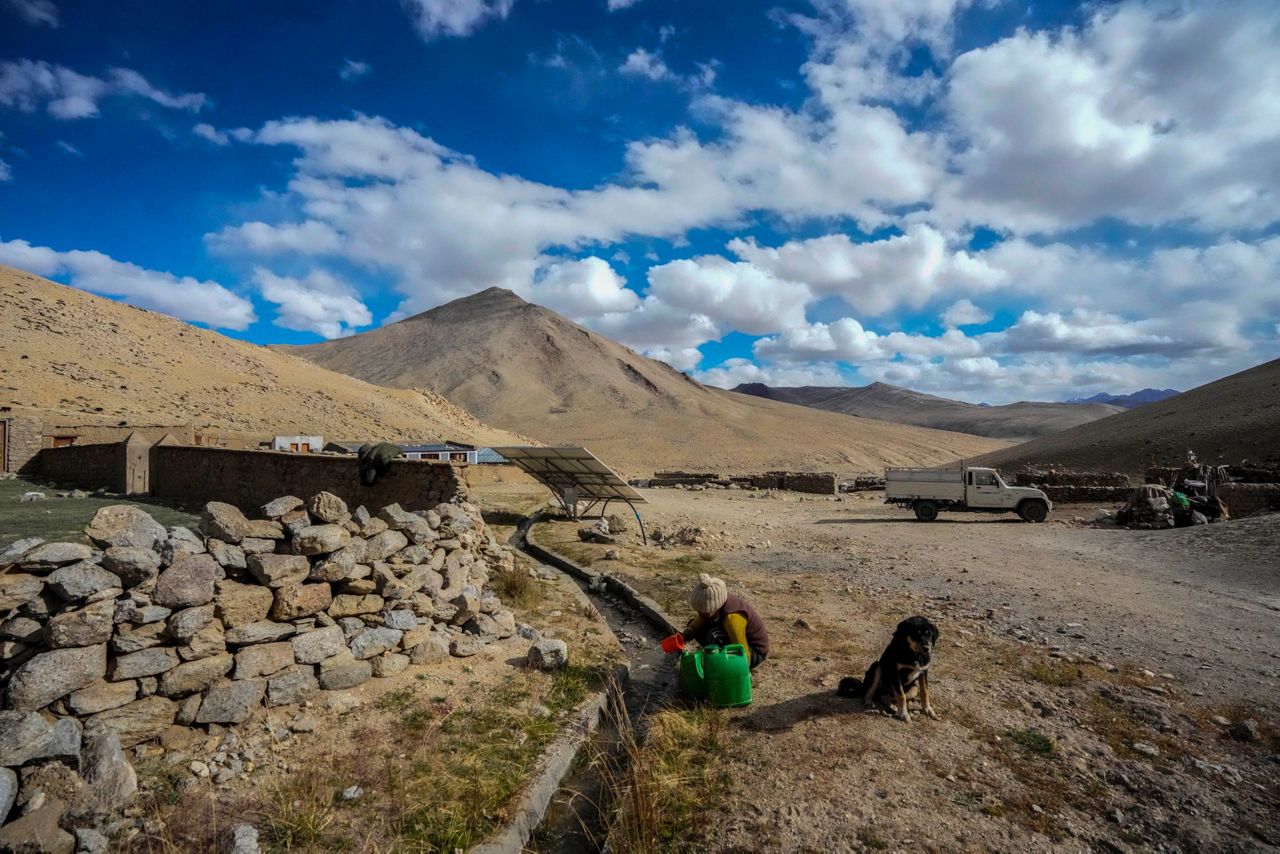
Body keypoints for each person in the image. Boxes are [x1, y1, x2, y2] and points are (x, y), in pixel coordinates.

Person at [684, 573, 770, 669]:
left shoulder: (732, 619)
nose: (700, 615)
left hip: (753, 652)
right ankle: (718, 655)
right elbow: (701, 620)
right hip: (735, 639)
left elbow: (742, 652)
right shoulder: (718, 600)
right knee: (696, 627)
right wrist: (689, 631)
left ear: (714, 608)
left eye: (703, 613)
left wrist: (740, 669)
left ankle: (722, 663)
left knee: (713, 635)